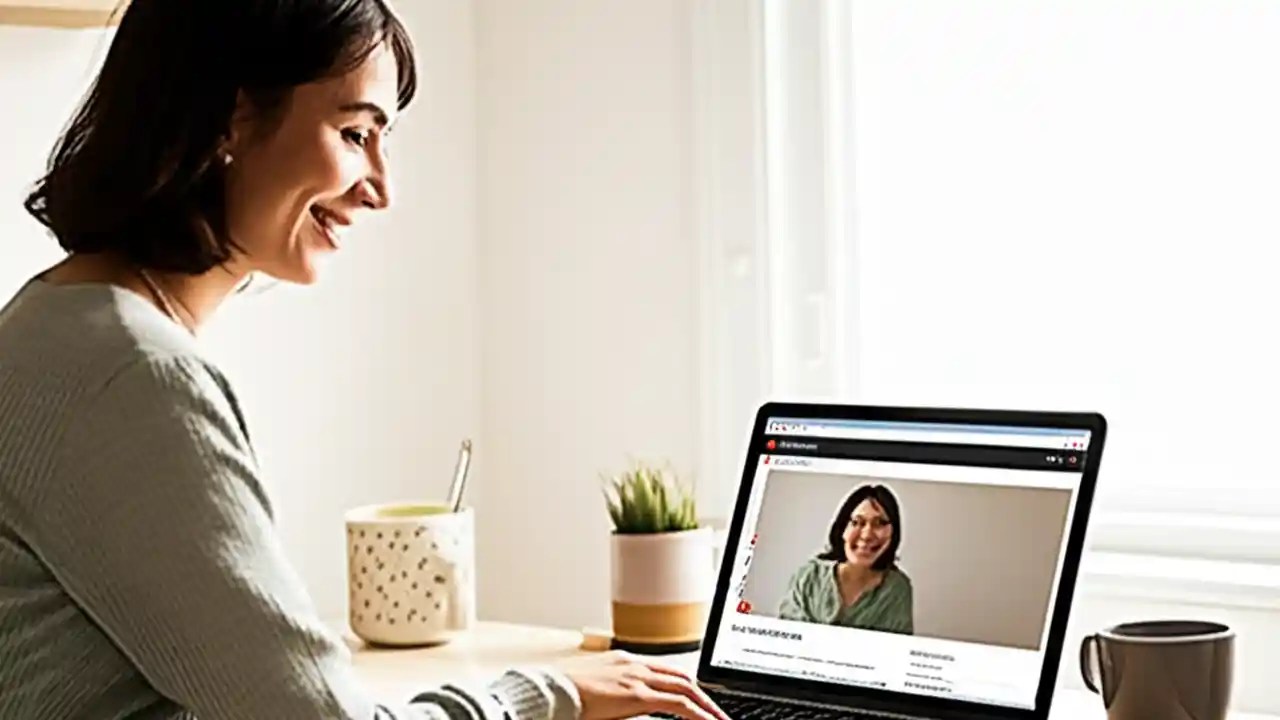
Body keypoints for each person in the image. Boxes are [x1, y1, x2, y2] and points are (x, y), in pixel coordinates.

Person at [0, 2, 731, 719]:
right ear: (230, 116)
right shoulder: (136, 376)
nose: (381, 188)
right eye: (355, 134)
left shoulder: (51, 323)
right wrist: (545, 692)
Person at [777, 484, 914, 634]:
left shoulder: (897, 589)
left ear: (893, 533)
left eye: (880, 523)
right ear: (843, 529)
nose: (867, 535)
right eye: (856, 522)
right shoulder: (809, 576)